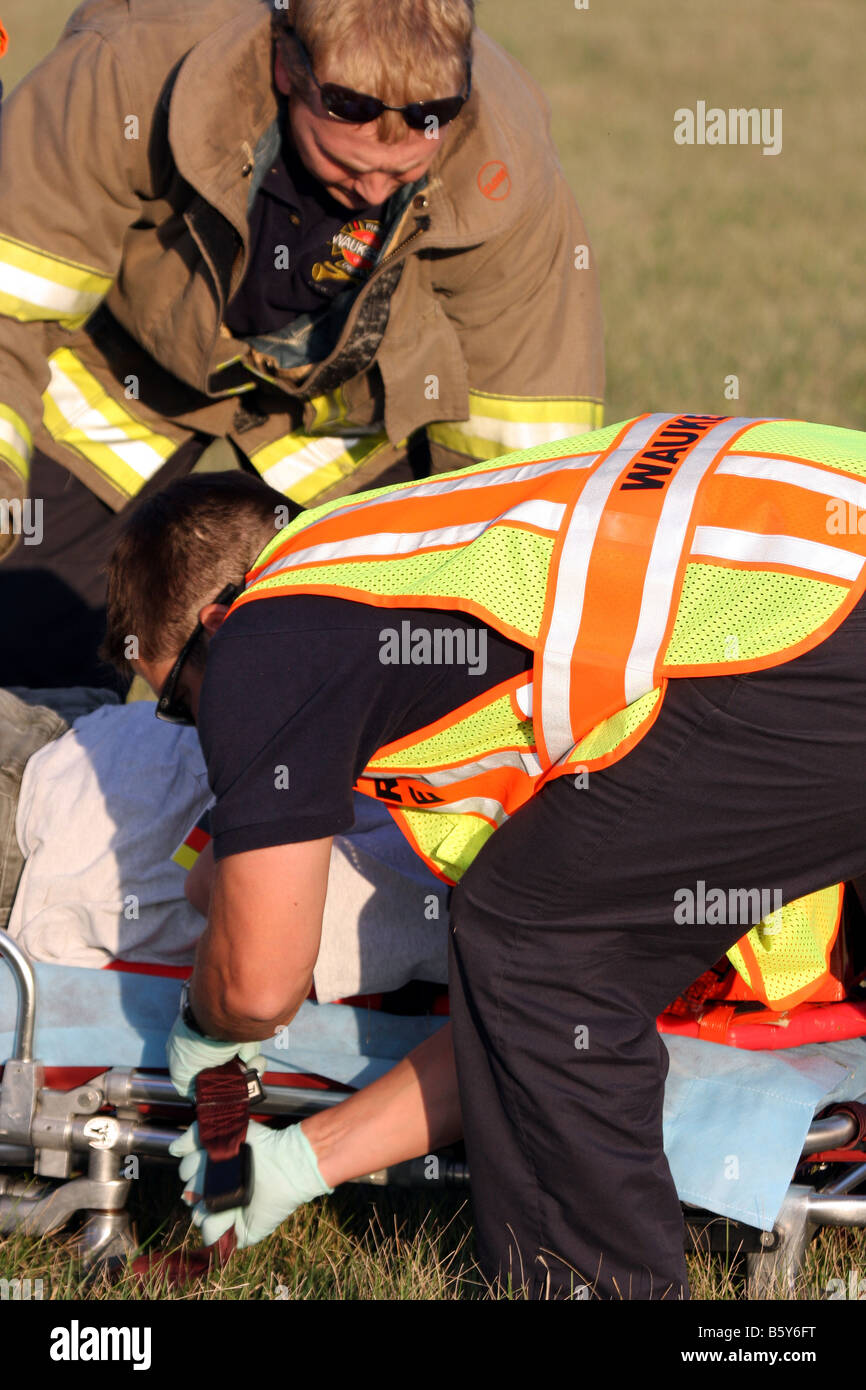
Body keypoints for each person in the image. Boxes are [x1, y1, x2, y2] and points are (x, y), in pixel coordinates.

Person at [102, 410, 866, 1299]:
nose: (200, 729)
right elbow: (517, 1025)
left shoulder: (261, 637)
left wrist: (209, 1027)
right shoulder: (396, 556)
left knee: (538, 941)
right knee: (530, 941)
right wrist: (302, 1162)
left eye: (178, 706)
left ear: (210, 622)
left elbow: (263, 983)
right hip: (813, 548)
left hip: (806, 618)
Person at [0, 0, 603, 689]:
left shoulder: (501, 159)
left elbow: (524, 438)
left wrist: (506, 620)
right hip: (121, 375)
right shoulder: (127, 67)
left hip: (337, 421)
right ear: (288, 67)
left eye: (402, 174)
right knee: (21, 665)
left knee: (400, 674)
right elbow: (8, 301)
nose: (373, 192)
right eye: (346, 165)